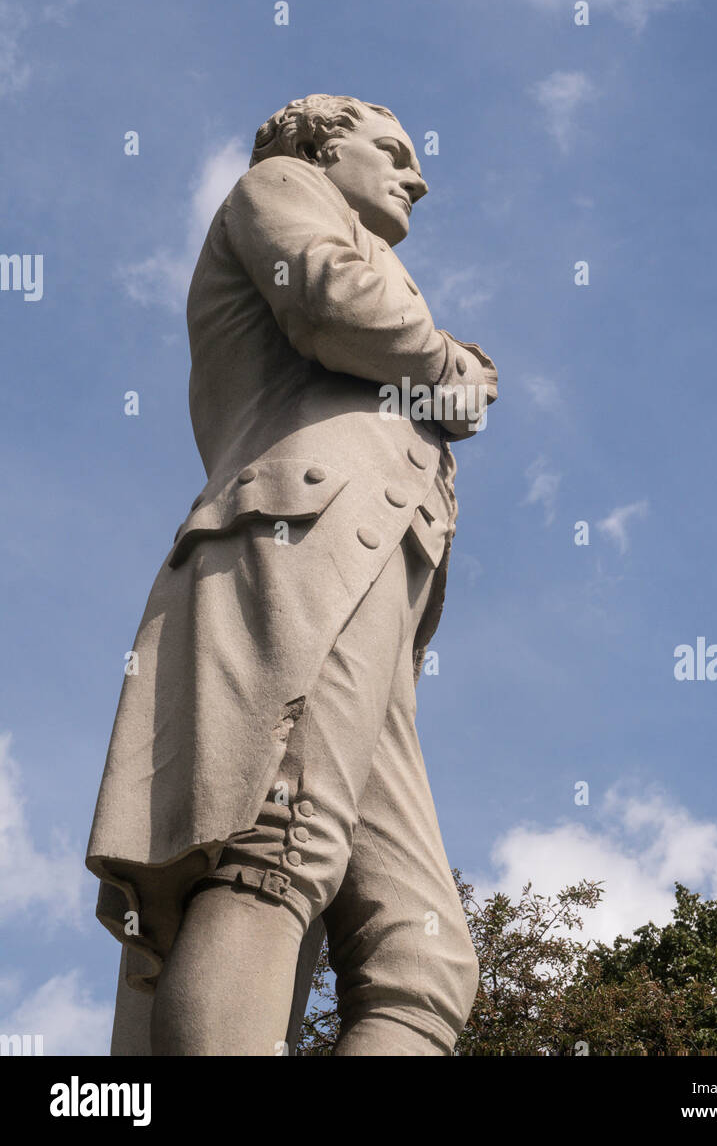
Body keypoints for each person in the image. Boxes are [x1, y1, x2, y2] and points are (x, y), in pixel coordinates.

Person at [87, 93, 498, 1056]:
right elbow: (335, 306)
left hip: (364, 595)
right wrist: (458, 371)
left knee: (423, 961)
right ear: (319, 145)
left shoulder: (352, 227)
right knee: (277, 842)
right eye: (391, 149)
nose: (417, 176)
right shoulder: (280, 184)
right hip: (299, 552)